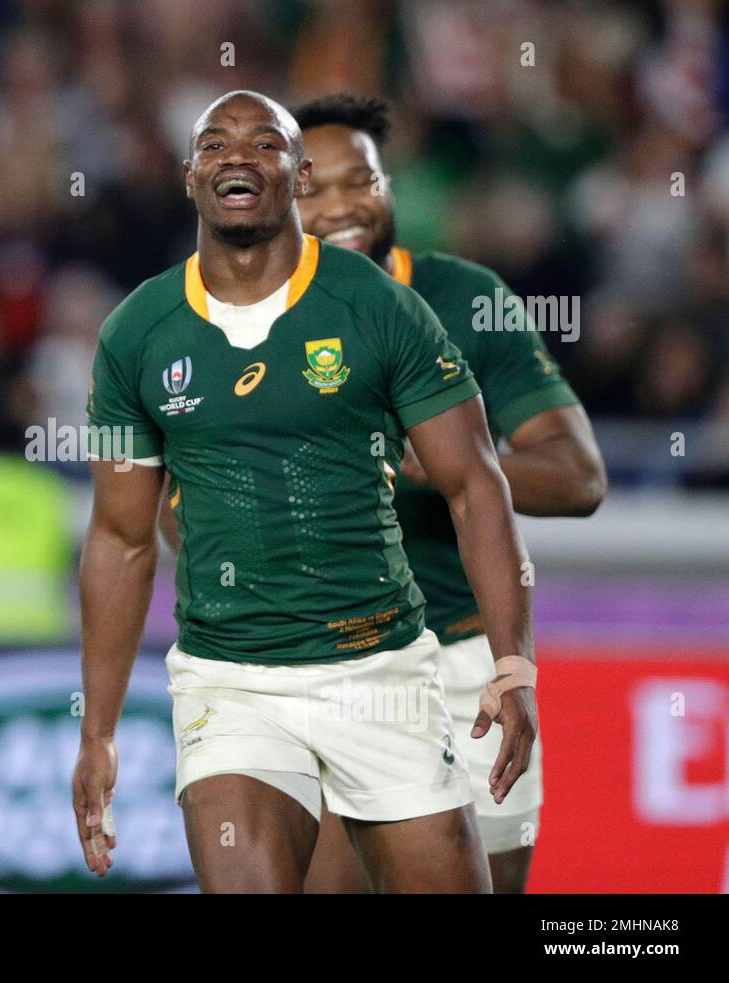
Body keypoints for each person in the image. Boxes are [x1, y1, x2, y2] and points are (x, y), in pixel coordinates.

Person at [73, 90, 536, 893]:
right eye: (215, 145)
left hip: (380, 672)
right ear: (190, 177)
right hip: (232, 681)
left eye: (264, 142)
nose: (238, 156)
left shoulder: (381, 307)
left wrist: (512, 664)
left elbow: (474, 485)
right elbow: (121, 538)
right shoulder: (132, 336)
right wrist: (99, 730)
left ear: (299, 172)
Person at [292, 93, 606, 894]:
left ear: (392, 184)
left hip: (471, 660)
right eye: (310, 189)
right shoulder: (241, 318)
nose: (339, 207)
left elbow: (578, 476)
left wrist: (439, 461)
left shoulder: (467, 297)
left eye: (358, 180)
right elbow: (175, 512)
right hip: (329, 666)